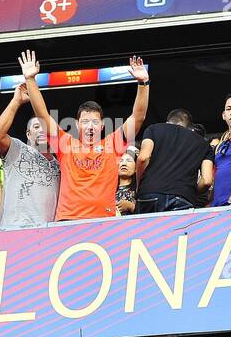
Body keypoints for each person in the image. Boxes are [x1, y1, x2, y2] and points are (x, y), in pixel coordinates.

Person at [17, 50, 150, 220]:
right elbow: (42, 115)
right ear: (77, 125)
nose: (90, 127)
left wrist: (143, 83)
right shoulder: (65, 143)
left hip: (102, 221)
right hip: (68, 220)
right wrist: (30, 80)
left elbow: (138, 117)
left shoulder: (113, 143)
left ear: (102, 125)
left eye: (95, 122)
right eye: (85, 122)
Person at [0, 83, 60, 228]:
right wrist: (16, 102)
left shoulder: (59, 165)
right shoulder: (18, 150)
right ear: (28, 134)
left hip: (47, 235)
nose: (41, 130)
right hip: (14, 230)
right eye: (36, 127)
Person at [135, 107, 214, 214]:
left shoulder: (153, 129)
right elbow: (207, 181)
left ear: (167, 122)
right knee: (177, 231)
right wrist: (189, 190)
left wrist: (139, 184)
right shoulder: (204, 144)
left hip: (149, 193)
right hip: (183, 197)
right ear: (190, 127)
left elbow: (143, 158)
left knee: (147, 230)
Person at [116, 148, 138, 215]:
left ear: (136, 168)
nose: (124, 164)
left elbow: (148, 213)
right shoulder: (108, 189)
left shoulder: (139, 189)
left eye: (129, 160)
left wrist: (131, 207)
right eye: (121, 160)